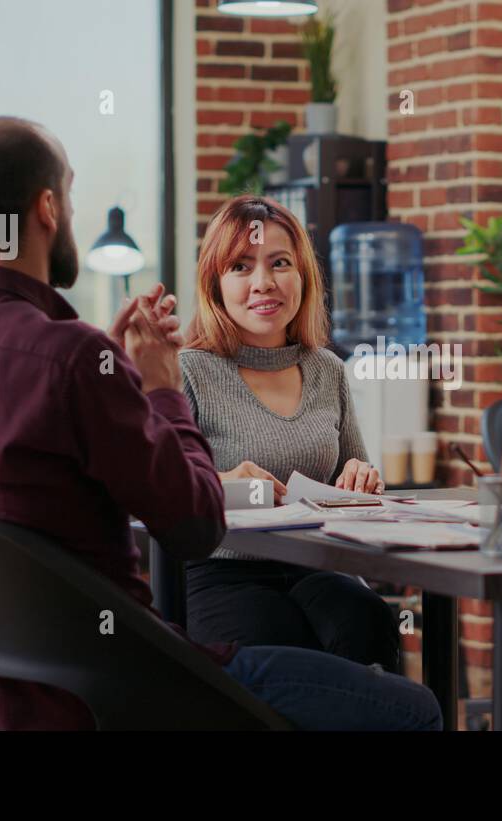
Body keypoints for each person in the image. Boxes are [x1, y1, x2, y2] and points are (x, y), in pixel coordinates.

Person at [0, 117, 439, 731]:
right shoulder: (75, 359)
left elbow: (8, 484)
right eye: (72, 197)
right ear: (48, 208)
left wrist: (113, 388)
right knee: (412, 709)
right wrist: (156, 388)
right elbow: (192, 526)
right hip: (128, 679)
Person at [175, 195, 399, 671]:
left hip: (314, 566)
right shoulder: (189, 371)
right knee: (280, 647)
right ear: (214, 284)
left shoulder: (328, 371)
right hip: (221, 570)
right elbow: (156, 494)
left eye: (280, 263)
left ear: (303, 276)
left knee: (370, 622)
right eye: (241, 266)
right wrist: (222, 484)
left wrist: (362, 477)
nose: (264, 283)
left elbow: (355, 491)